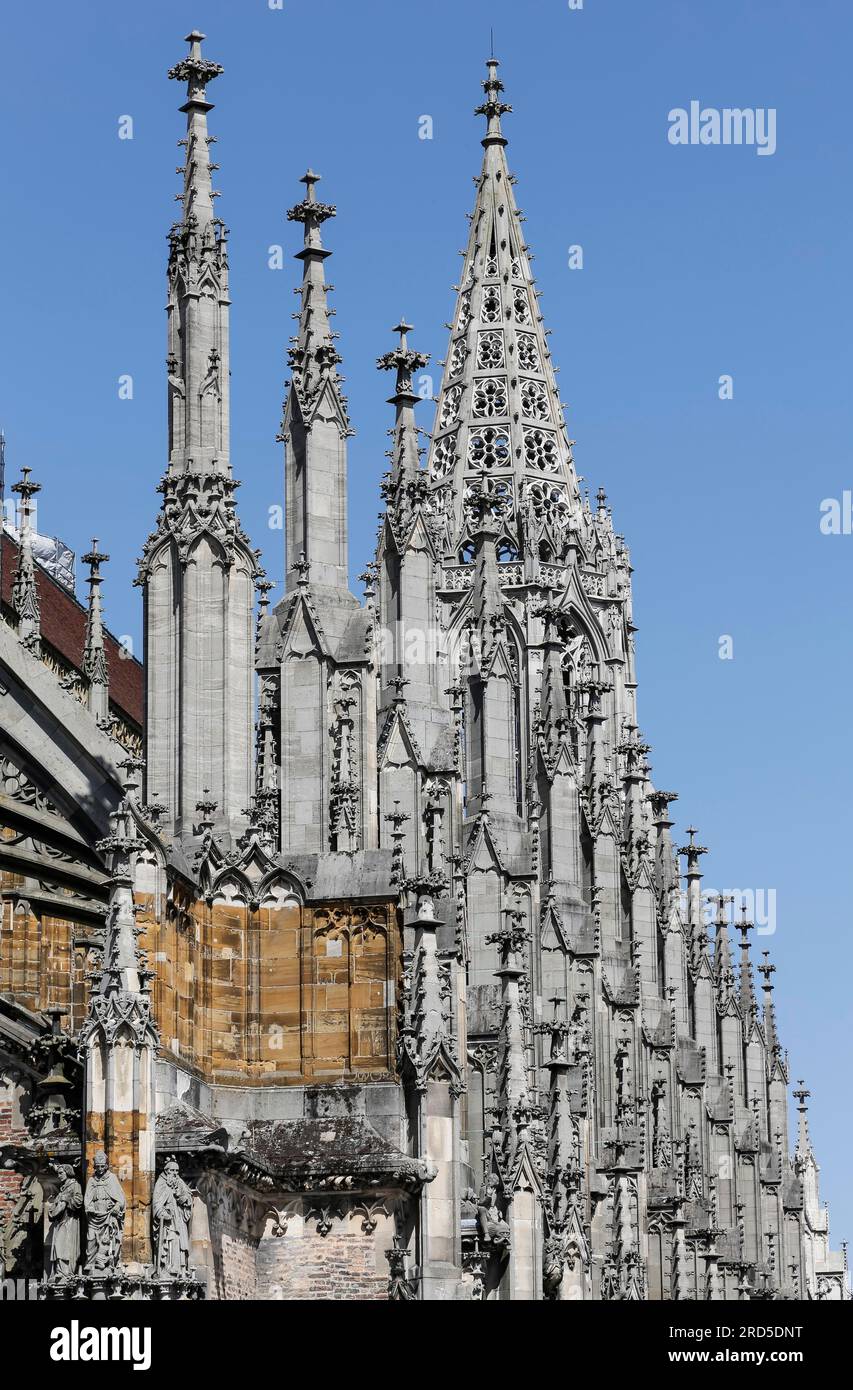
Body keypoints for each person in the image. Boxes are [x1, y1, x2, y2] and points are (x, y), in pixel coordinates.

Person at [84, 1150, 125, 1273]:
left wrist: (117, 1207)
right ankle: (90, 1262)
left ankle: (103, 1261)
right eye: (97, 1167)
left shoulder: (111, 1178)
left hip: (108, 1214)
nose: (100, 1169)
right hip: (95, 1215)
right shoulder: (92, 1180)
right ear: (94, 1167)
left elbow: (120, 1198)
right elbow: (87, 1198)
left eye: (102, 1166)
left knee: (107, 1238)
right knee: (91, 1238)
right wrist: (89, 1208)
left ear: (106, 1166)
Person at [152, 1156, 193, 1277]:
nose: (175, 1173)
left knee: (179, 1242)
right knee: (170, 1240)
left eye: (177, 1171)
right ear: (166, 1171)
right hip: (168, 1221)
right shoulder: (161, 1183)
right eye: (172, 1171)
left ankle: (179, 1268)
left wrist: (179, 1194)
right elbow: (156, 1203)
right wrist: (161, 1212)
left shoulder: (180, 1183)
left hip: (178, 1219)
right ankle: (168, 1268)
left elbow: (188, 1199)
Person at [46, 1165, 82, 1277]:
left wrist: (66, 1199)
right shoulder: (63, 1188)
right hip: (61, 1221)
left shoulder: (75, 1185)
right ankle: (60, 1270)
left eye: (61, 1173)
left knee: (64, 1245)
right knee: (58, 1245)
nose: (59, 1175)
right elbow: (55, 1207)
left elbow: (78, 1201)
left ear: (68, 1172)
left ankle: (66, 1271)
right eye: (58, 1173)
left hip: (70, 1220)